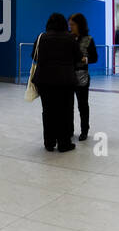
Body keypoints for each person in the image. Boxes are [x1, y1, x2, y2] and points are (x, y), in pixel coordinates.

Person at [31, 13, 83, 152]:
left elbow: (34, 56)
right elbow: (78, 58)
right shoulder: (70, 38)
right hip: (65, 81)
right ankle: (64, 143)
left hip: (44, 81)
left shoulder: (41, 37)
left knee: (47, 112)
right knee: (64, 112)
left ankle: (49, 142)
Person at [69, 12, 97, 140]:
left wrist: (84, 59)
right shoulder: (67, 37)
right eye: (70, 24)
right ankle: (69, 130)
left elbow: (95, 58)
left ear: (80, 25)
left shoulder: (88, 39)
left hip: (82, 76)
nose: (71, 27)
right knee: (68, 105)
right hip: (67, 75)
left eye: (73, 24)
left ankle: (84, 130)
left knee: (82, 105)